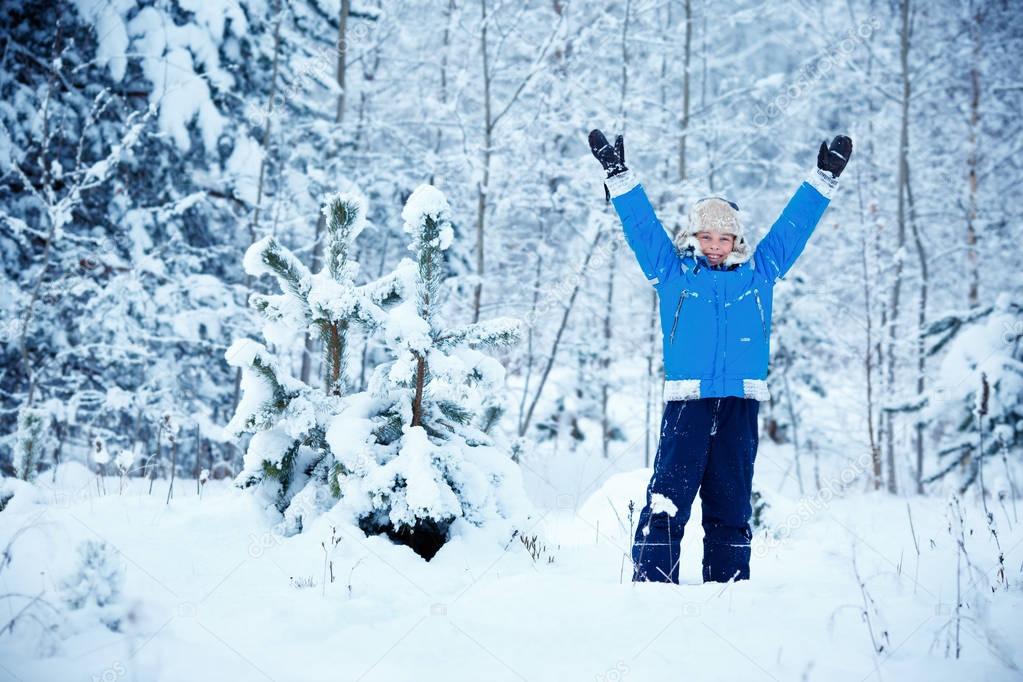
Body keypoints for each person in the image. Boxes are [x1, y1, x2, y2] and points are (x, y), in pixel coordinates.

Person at [588, 129, 853, 583]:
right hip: (687, 401)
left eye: (723, 237)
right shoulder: (670, 273)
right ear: (693, 236)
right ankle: (652, 583)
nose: (714, 244)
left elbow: (793, 228)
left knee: (731, 498)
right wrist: (619, 177)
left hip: (739, 402)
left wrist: (823, 179)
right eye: (706, 235)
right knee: (669, 495)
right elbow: (642, 228)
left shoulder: (760, 273)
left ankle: (728, 588)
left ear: (737, 241)